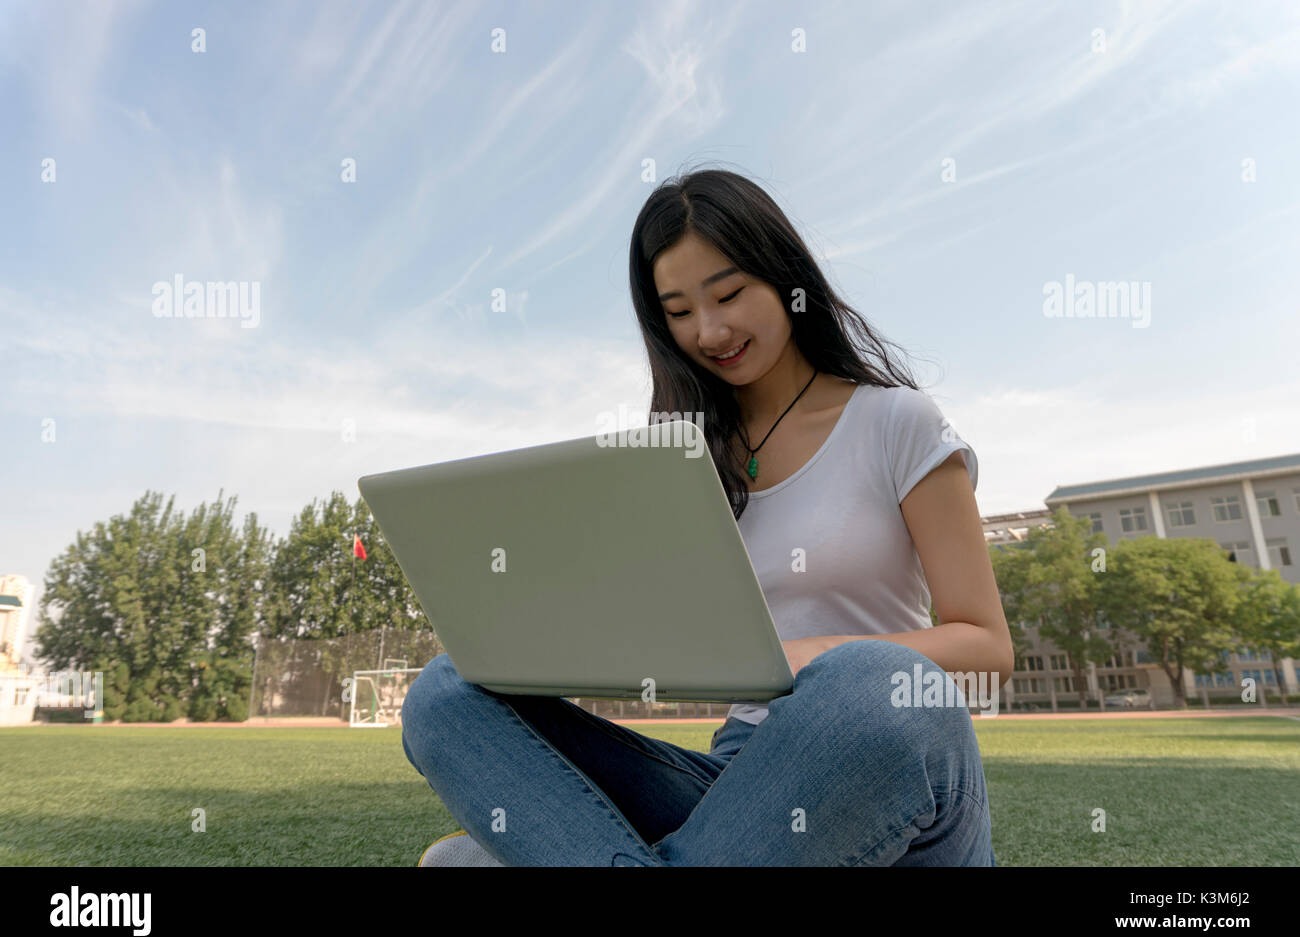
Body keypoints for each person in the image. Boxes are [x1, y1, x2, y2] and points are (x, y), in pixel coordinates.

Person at [401, 166, 1011, 866]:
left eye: (728, 294)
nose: (711, 330)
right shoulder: (682, 461)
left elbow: (987, 647)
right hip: (736, 786)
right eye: (680, 311)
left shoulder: (895, 422)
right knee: (444, 693)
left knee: (867, 680)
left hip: (881, 752)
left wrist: (811, 660)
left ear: (785, 277)